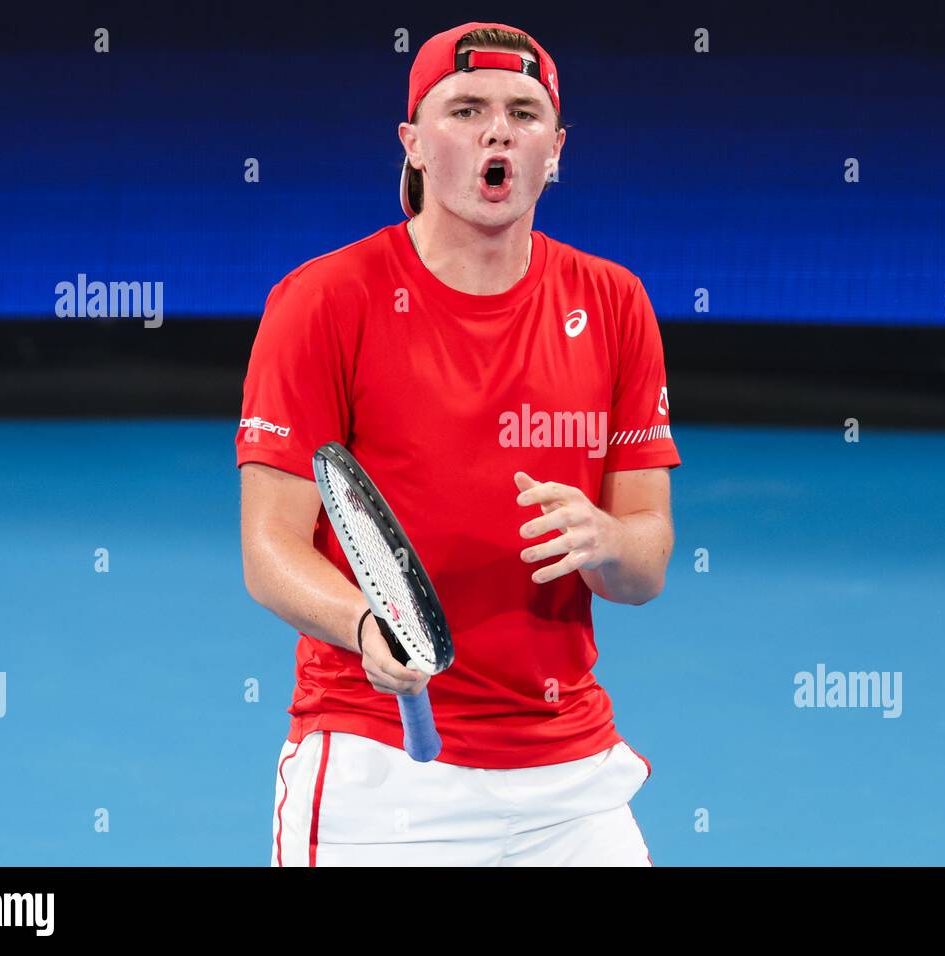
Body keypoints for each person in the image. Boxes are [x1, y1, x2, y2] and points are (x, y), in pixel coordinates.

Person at [237, 21, 681, 866]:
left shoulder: (617, 304)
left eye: (524, 111)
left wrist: (606, 539)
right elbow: (270, 548)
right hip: (381, 770)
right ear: (413, 143)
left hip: (570, 779)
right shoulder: (323, 302)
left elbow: (646, 567)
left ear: (555, 150)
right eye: (466, 108)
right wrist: (365, 625)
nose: (497, 130)